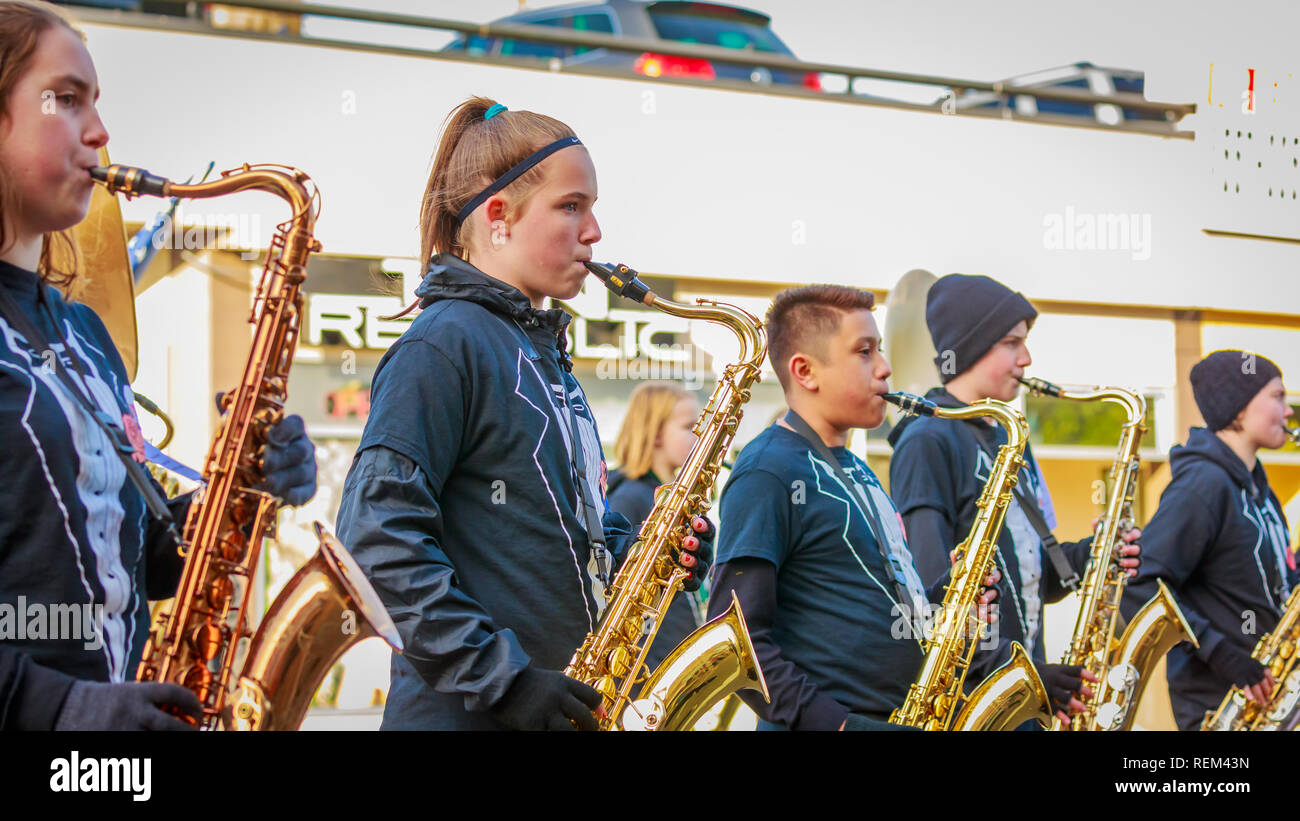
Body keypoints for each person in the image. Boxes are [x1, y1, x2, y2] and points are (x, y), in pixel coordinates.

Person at [335, 97, 710, 731]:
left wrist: (647, 551)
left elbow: (561, 534)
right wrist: (503, 680)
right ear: (499, 215)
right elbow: (375, 540)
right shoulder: (443, 344)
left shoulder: (542, 352)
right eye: (572, 207)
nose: (594, 233)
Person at [0, 0, 317, 730]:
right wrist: (66, 705)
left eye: (97, 103)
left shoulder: (83, 334)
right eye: (65, 99)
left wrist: (240, 495)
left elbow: (138, 552)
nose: (101, 132)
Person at [706, 284, 999, 730]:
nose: (885, 368)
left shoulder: (856, 467)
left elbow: (871, 600)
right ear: (805, 371)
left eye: (879, 349)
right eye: (864, 352)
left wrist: (952, 597)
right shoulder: (768, 471)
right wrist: (839, 725)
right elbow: (735, 641)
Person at [887, 273, 1141, 725]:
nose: (1026, 358)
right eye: (1011, 342)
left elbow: (1033, 578)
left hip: (1020, 698)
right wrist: (1021, 674)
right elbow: (932, 596)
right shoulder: (927, 440)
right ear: (971, 347)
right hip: (971, 703)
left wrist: (1096, 554)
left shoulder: (1008, 435)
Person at [1121, 350, 1297, 730]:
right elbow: (1140, 585)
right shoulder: (1202, 485)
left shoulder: (1259, 492)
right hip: (1221, 710)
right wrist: (1224, 655)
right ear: (1238, 409)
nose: (1289, 412)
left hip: (1267, 703)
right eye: (1277, 397)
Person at [607, 380, 703, 672]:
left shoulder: (659, 495)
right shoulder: (629, 497)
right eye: (689, 428)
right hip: (648, 665)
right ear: (656, 432)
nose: (698, 439)